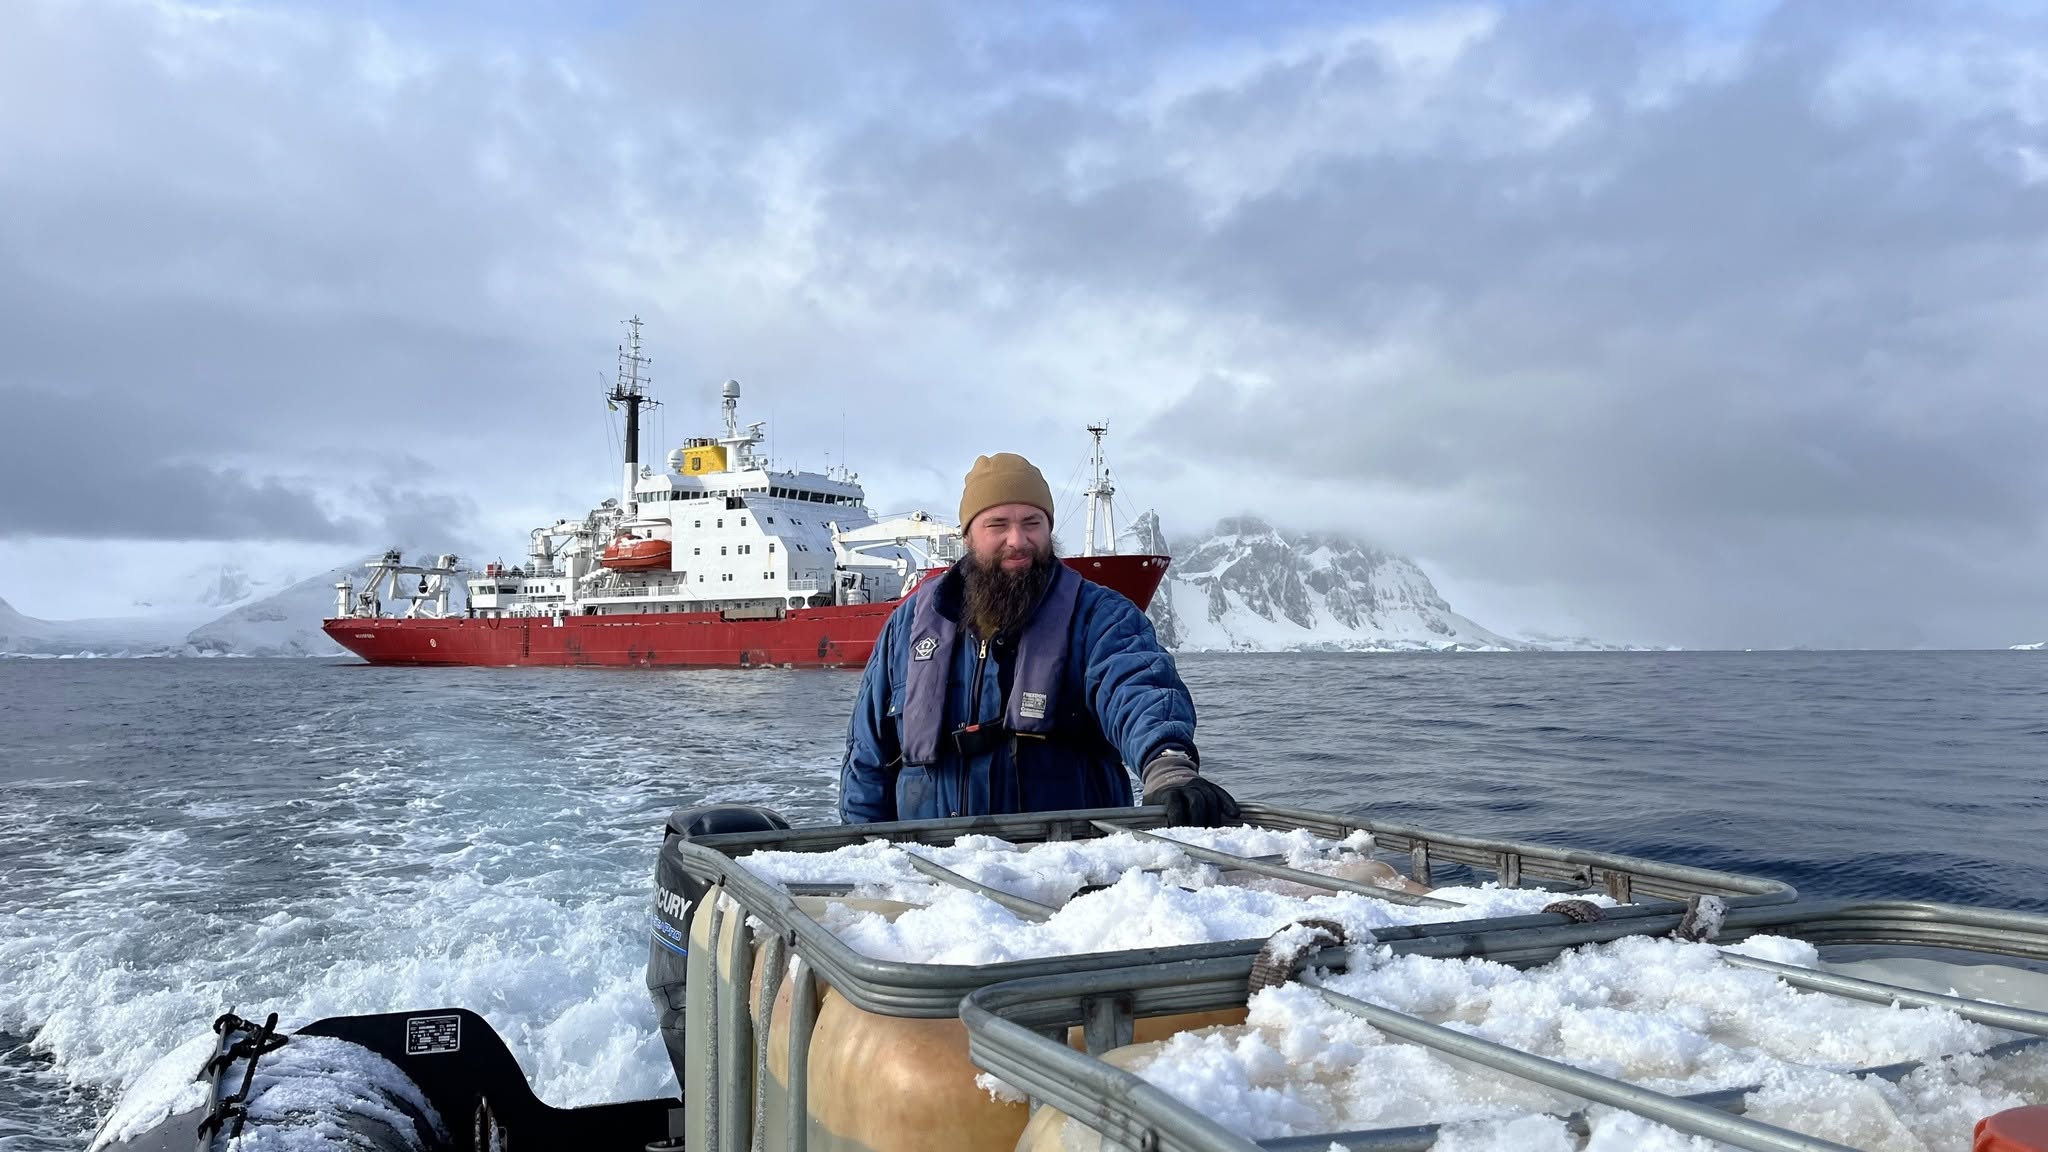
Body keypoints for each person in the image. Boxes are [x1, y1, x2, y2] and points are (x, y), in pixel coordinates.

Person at [839, 451, 1241, 828]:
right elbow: (867, 756)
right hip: (932, 872)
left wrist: (1167, 769)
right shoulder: (907, 626)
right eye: (998, 525)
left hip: (1067, 867)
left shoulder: (1100, 617)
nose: (1018, 539)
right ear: (967, 536)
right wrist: (860, 852)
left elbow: (1137, 687)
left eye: (1032, 523)